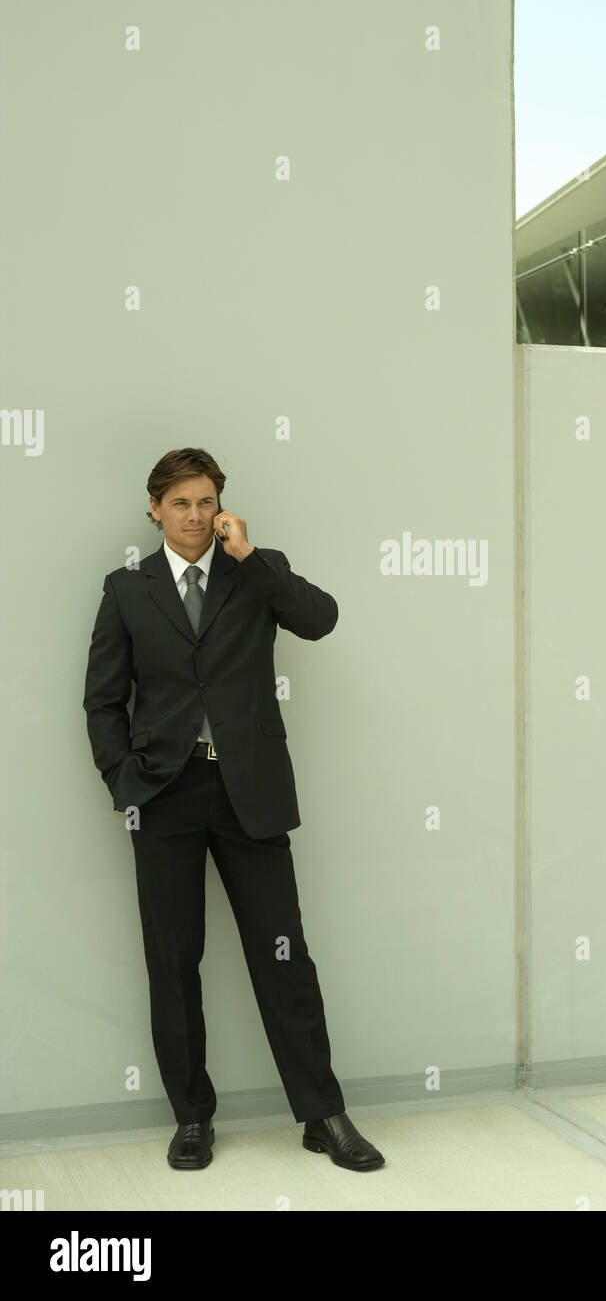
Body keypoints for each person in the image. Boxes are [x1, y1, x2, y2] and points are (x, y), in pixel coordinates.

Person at [83, 446, 384, 1173]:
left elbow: (320, 619)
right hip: (163, 796)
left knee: (284, 958)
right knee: (173, 961)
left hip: (250, 792)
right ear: (153, 508)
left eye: (205, 501)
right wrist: (126, 780)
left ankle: (322, 1114)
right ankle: (191, 1117)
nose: (194, 516)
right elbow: (101, 700)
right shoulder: (127, 590)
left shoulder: (255, 573)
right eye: (180, 502)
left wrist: (249, 556)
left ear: (221, 507)